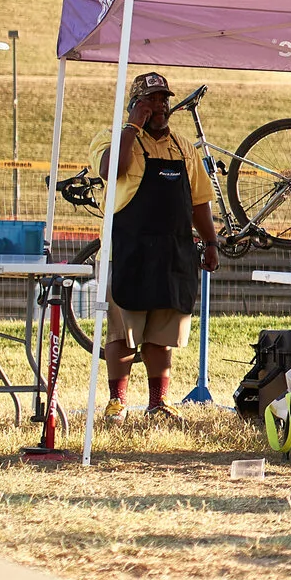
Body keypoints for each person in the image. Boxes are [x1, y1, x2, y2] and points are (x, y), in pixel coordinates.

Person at [91, 71, 219, 423]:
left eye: (163, 99)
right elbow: (109, 170)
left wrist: (210, 242)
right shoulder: (113, 138)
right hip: (127, 252)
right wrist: (132, 126)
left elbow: (200, 203)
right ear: (135, 104)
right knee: (123, 333)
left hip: (172, 254)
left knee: (160, 338)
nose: (159, 106)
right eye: (150, 100)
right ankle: (117, 403)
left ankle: (158, 403)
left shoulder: (183, 147)